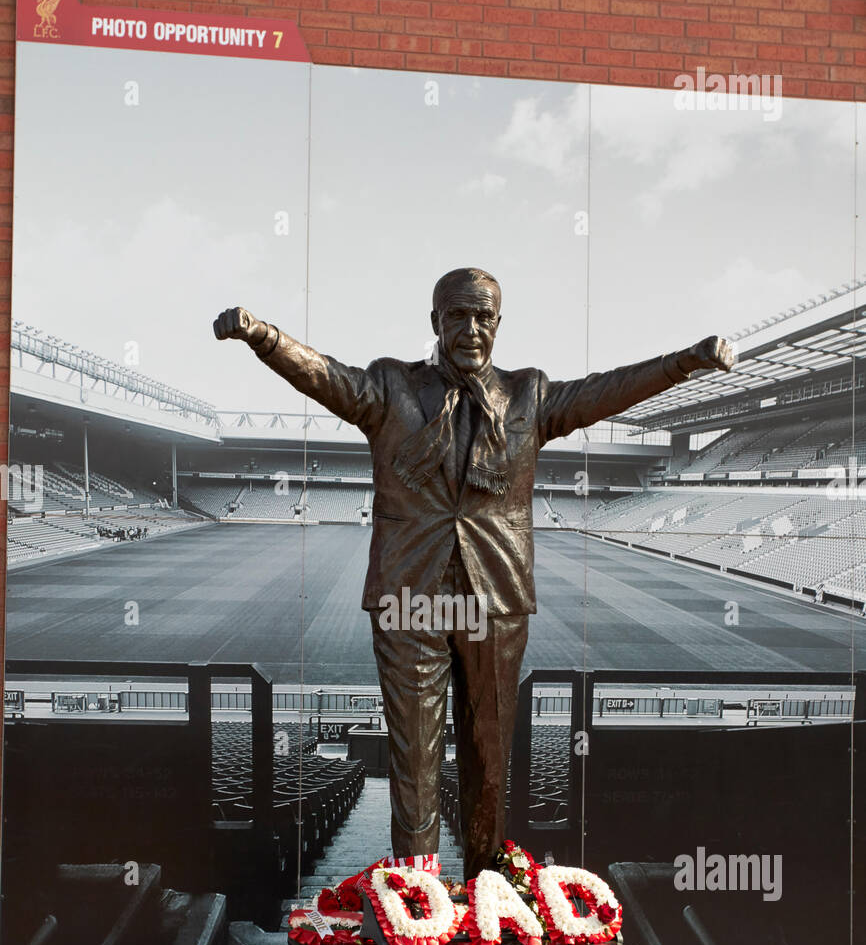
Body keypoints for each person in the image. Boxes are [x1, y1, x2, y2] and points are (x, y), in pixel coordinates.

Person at [214, 268, 734, 881]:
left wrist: (683, 363)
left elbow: (604, 392)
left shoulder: (529, 395)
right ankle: (416, 890)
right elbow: (328, 376)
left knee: (490, 755)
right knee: (415, 755)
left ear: (498, 324)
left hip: (496, 597)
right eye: (457, 315)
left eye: (483, 317)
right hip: (410, 599)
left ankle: (489, 889)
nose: (470, 329)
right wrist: (263, 337)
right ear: (435, 321)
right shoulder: (390, 386)